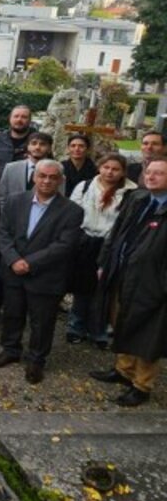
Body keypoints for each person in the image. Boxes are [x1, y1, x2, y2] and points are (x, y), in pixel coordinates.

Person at [0, 159, 83, 384]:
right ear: (34, 177)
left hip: (45, 276)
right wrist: (13, 260)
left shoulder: (72, 211)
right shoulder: (14, 201)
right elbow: (3, 233)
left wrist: (29, 263)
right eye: (42, 176)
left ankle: (36, 359)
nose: (47, 181)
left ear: (60, 180)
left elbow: (64, 245)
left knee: (42, 321)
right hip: (13, 271)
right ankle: (10, 350)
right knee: (12, 314)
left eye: (53, 177)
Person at [90, 157, 167, 406]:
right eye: (149, 171)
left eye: (159, 173)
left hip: (152, 283)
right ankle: (123, 370)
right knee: (121, 321)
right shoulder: (137, 198)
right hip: (122, 274)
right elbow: (117, 232)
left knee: (148, 335)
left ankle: (142, 385)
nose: (151, 176)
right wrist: (104, 263)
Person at [67, 153, 135, 346]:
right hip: (85, 241)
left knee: (103, 289)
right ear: (99, 167)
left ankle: (98, 331)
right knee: (82, 286)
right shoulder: (85, 186)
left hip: (110, 244)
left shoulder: (131, 193)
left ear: (122, 172)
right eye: (106, 167)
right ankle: (76, 326)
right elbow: (73, 212)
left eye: (115, 169)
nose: (110, 172)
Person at [0, 132, 55, 209]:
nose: (37, 147)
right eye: (34, 143)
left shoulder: (56, 172)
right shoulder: (10, 169)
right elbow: (1, 198)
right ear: (28, 146)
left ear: (49, 149)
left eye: (42, 144)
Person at [62, 133, 97, 197]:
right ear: (68, 148)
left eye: (81, 146)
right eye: (73, 146)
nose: (77, 149)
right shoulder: (61, 167)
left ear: (88, 149)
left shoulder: (95, 169)